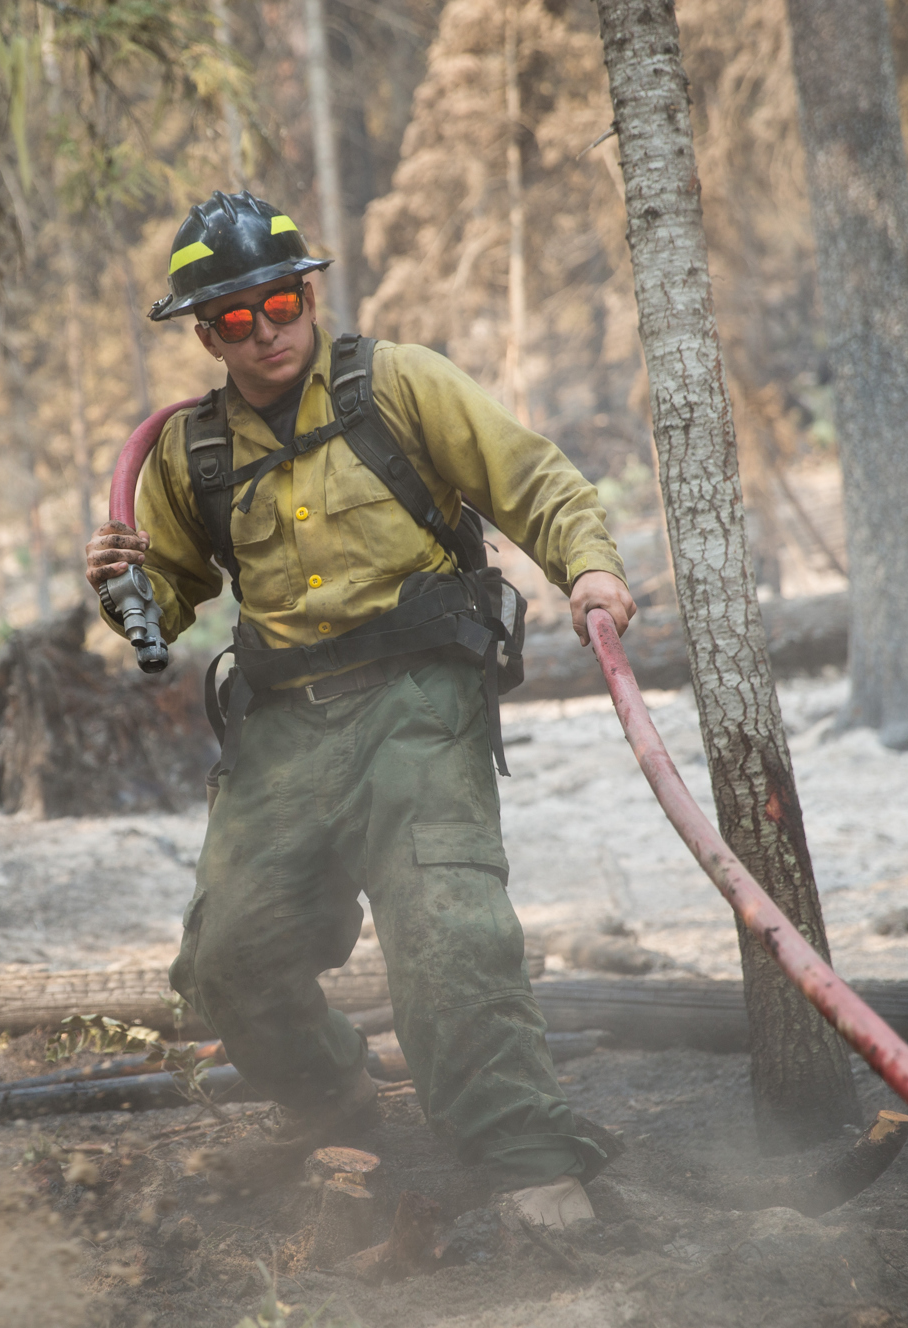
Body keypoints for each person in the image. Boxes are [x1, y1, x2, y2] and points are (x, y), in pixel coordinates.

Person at [84, 191, 638, 1228]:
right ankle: (333, 1101)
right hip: (281, 724)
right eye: (237, 320)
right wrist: (123, 589)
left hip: (418, 699)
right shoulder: (186, 453)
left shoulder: (398, 386)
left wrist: (589, 573)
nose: (267, 331)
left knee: (446, 925)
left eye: (282, 302)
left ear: (308, 295)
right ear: (205, 334)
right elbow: (161, 607)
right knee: (227, 959)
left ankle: (524, 1161)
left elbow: (533, 482)